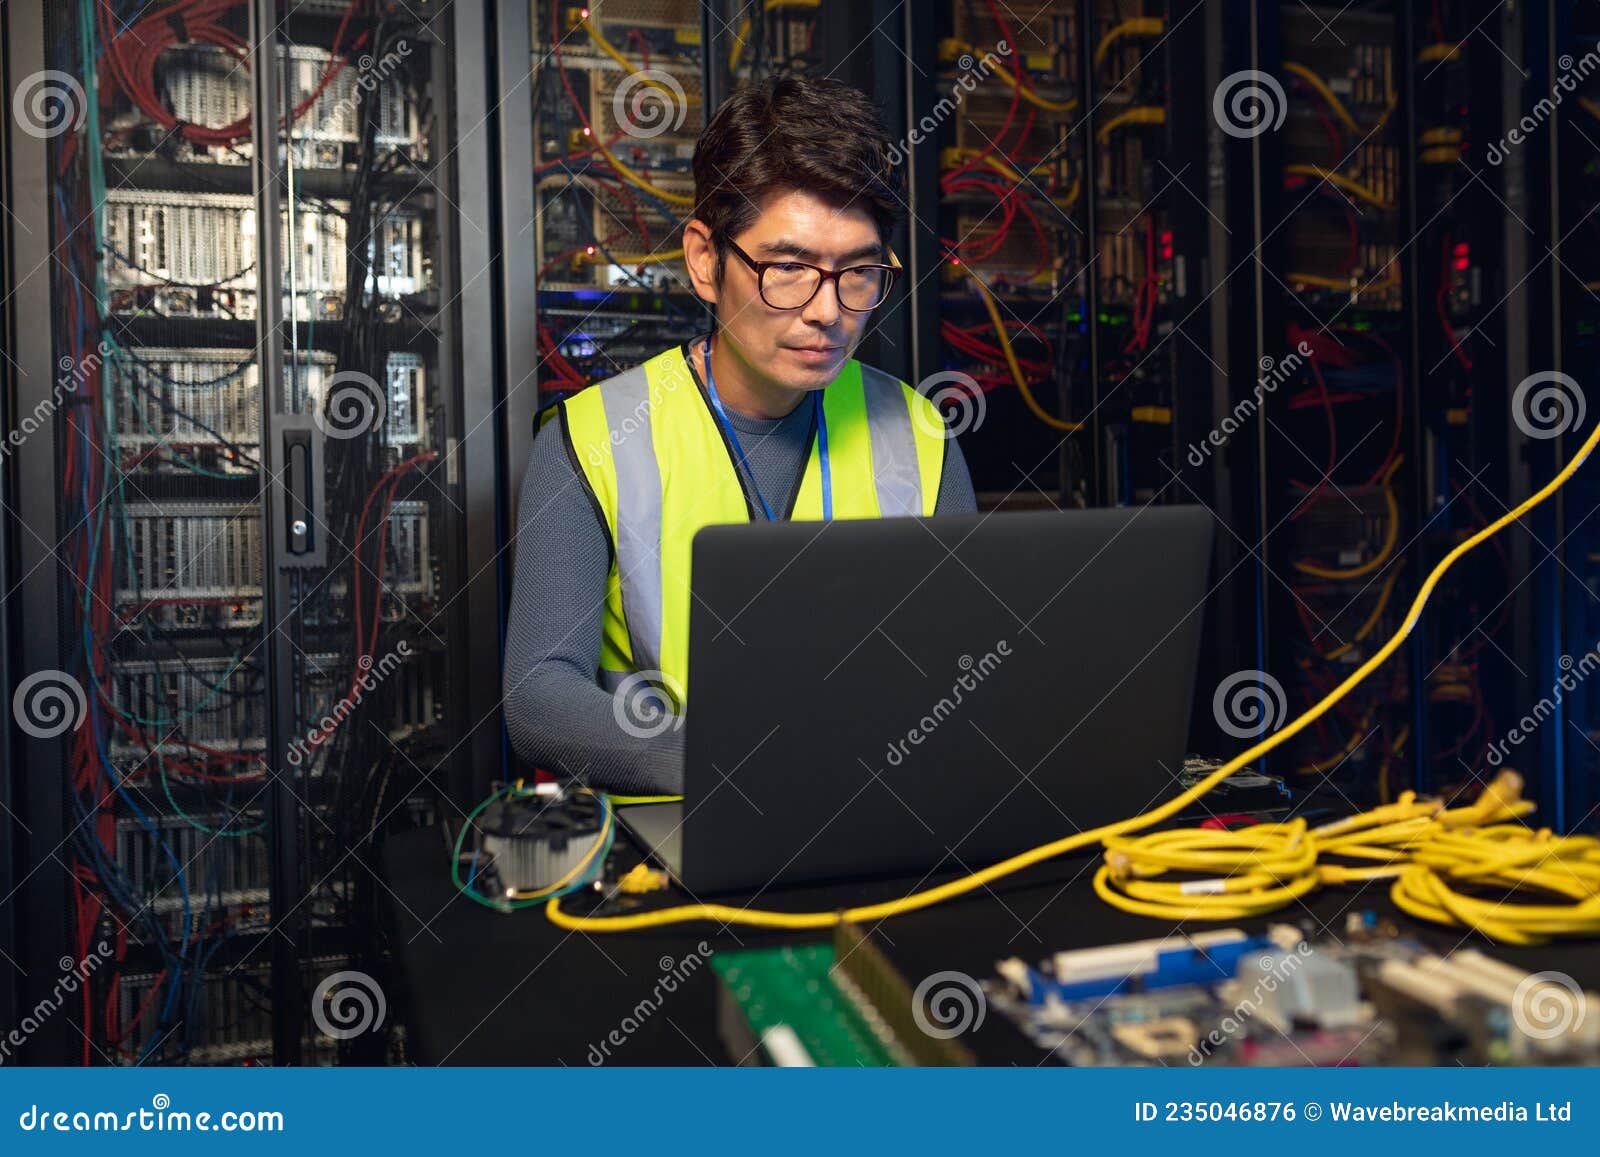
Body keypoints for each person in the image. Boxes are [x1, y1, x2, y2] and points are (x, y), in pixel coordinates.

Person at [502, 74, 977, 795]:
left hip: (882, 817)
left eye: (858, 272)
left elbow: (967, 668)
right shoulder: (593, 438)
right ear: (704, 260)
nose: (828, 311)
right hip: (679, 829)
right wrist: (738, 766)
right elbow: (539, 697)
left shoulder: (918, 433)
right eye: (788, 269)